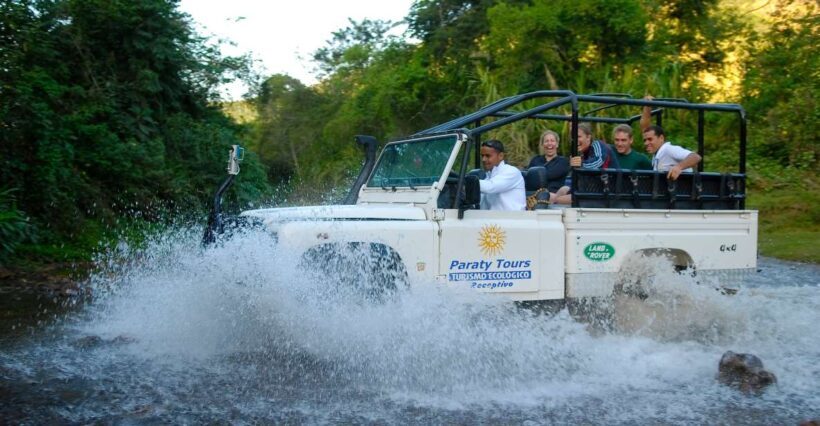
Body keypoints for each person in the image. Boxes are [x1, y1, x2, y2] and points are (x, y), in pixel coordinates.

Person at [550, 124, 620, 204]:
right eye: (573, 137)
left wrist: (580, 164)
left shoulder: (598, 145)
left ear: (588, 137)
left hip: (607, 191)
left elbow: (598, 162)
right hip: (592, 189)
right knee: (563, 190)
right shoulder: (582, 153)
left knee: (558, 200)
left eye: (579, 136)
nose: (575, 140)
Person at [640, 94, 702, 180]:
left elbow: (696, 157)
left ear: (661, 138)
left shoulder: (668, 149)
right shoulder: (657, 154)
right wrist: (647, 107)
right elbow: (645, 129)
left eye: (650, 139)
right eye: (645, 140)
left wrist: (679, 167)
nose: (646, 143)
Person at [479, 139, 526, 211]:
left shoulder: (511, 172)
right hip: (492, 220)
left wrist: (464, 181)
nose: (483, 159)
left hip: (513, 220)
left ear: (500, 156)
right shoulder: (489, 175)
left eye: (487, 156)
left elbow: (490, 187)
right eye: (482, 156)